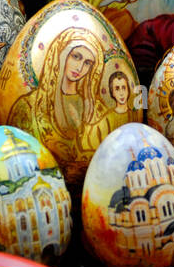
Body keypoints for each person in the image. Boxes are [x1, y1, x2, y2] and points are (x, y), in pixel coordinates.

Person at [6, 27, 108, 181]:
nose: (80, 68)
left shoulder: (96, 109)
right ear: (61, 55)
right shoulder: (28, 106)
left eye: (87, 63)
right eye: (76, 56)